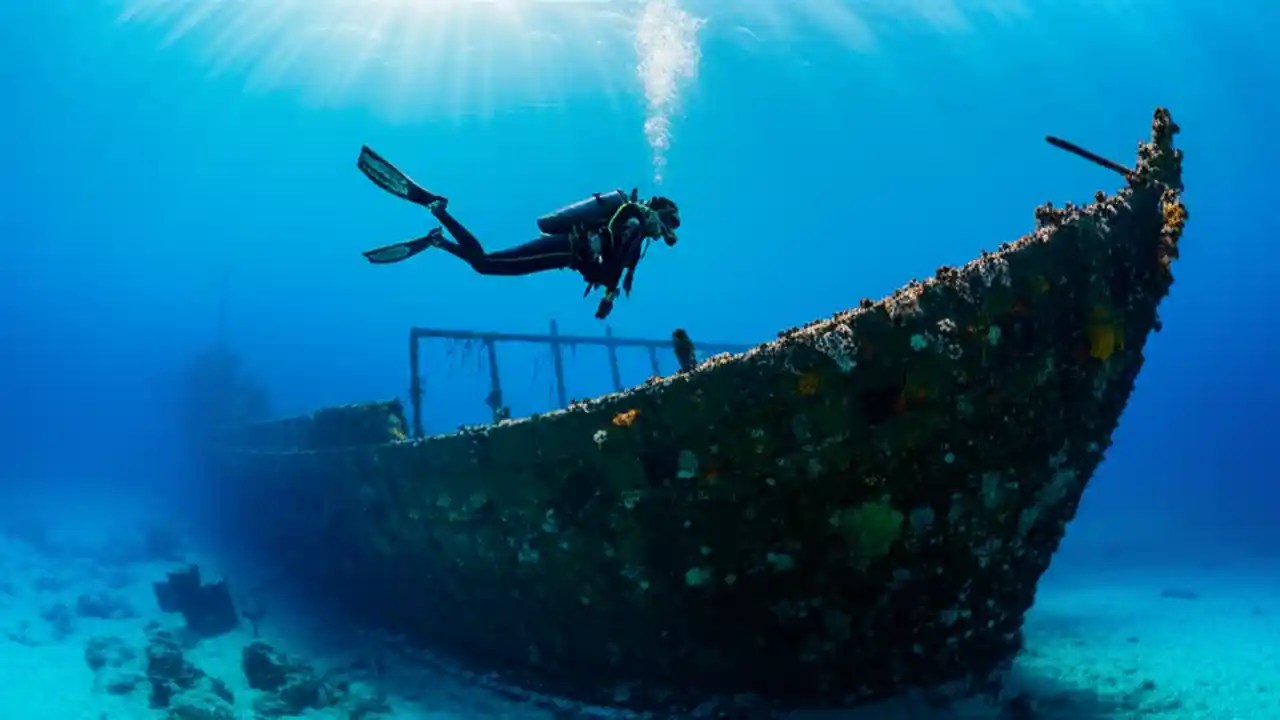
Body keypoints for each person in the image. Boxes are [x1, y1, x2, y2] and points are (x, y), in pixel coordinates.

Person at [355, 146, 681, 319]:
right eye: (664, 227)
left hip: (563, 252)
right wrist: (609, 294)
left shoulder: (634, 227)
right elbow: (616, 259)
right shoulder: (636, 222)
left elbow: (615, 261)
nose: (661, 234)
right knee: (487, 263)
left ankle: (439, 239)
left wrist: (609, 293)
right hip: (564, 249)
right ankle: (439, 210)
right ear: (659, 216)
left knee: (485, 265)